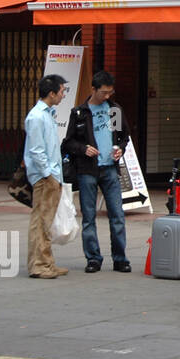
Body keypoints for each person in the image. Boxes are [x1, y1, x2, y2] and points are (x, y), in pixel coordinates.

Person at [63, 70, 132, 273]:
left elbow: (122, 136)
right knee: (88, 216)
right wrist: (84, 149)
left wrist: (120, 148)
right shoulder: (80, 113)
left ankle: (120, 258)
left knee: (117, 215)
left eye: (110, 92)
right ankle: (93, 258)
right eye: (104, 92)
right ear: (93, 89)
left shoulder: (114, 109)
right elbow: (68, 142)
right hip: (87, 170)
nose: (107, 96)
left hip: (110, 169)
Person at [25, 74, 69, 279]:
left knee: (46, 221)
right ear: (51, 93)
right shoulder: (37, 116)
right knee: (41, 221)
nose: (63, 94)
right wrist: (48, 174)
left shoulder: (47, 114)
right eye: (61, 91)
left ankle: (47, 262)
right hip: (44, 177)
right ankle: (38, 265)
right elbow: (36, 149)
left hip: (52, 175)